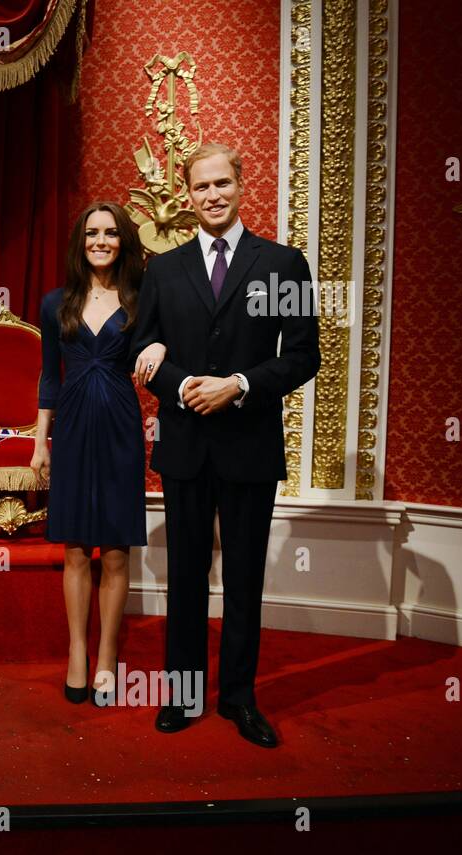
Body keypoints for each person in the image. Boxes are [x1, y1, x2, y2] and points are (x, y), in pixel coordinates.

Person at [128, 143, 320, 747]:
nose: (211, 195)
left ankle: (239, 698)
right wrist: (181, 383)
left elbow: (304, 356)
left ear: (241, 185)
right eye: (200, 187)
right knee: (185, 577)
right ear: (187, 196)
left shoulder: (284, 264)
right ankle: (183, 696)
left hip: (249, 446)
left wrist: (238, 385)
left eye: (221, 184)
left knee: (243, 581)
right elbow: (141, 351)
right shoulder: (162, 269)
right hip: (185, 446)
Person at [31, 202, 163, 706]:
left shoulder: (141, 298)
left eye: (110, 233)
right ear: (80, 242)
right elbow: (48, 376)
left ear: (123, 240)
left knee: (114, 549)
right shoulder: (54, 303)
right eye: (92, 233)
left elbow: (165, 341)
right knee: (73, 549)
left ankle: (108, 655)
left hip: (120, 428)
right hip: (72, 428)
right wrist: (40, 443)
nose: (101, 241)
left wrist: (162, 349)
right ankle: (78, 652)